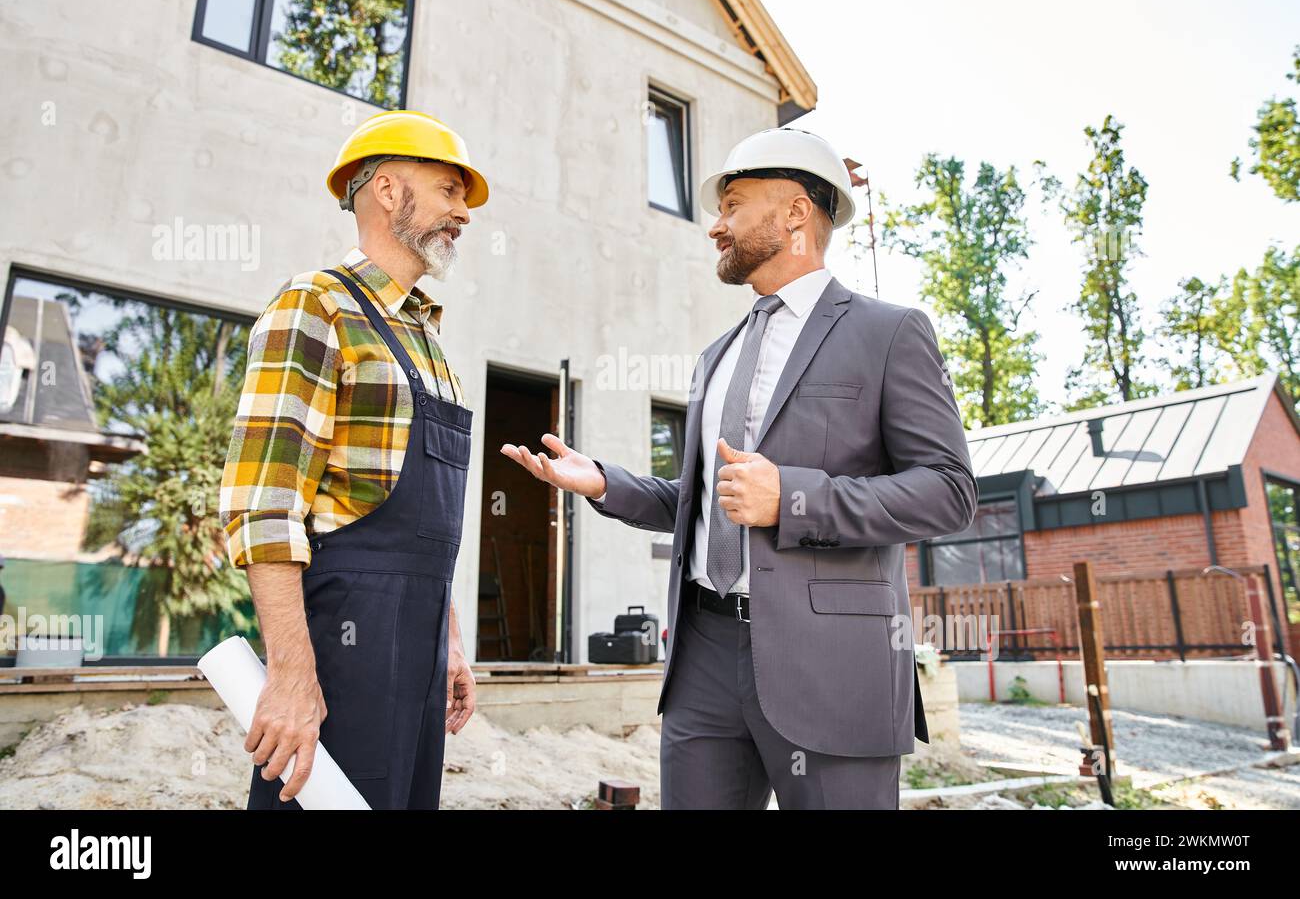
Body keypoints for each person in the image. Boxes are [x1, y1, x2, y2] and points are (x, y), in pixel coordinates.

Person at [502, 127, 976, 809]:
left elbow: (949, 492)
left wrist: (795, 500)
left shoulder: (889, 333)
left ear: (794, 214)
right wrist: (605, 483)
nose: (715, 227)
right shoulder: (716, 356)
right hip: (703, 659)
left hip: (833, 668)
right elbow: (708, 502)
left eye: (733, 205)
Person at [219, 110, 486, 809]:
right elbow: (264, 504)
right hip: (344, 638)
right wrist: (290, 675)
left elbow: (431, 528)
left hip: (421, 635)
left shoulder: (427, 336)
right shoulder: (317, 305)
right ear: (390, 191)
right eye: (449, 191)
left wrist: (449, 640)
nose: (463, 213)